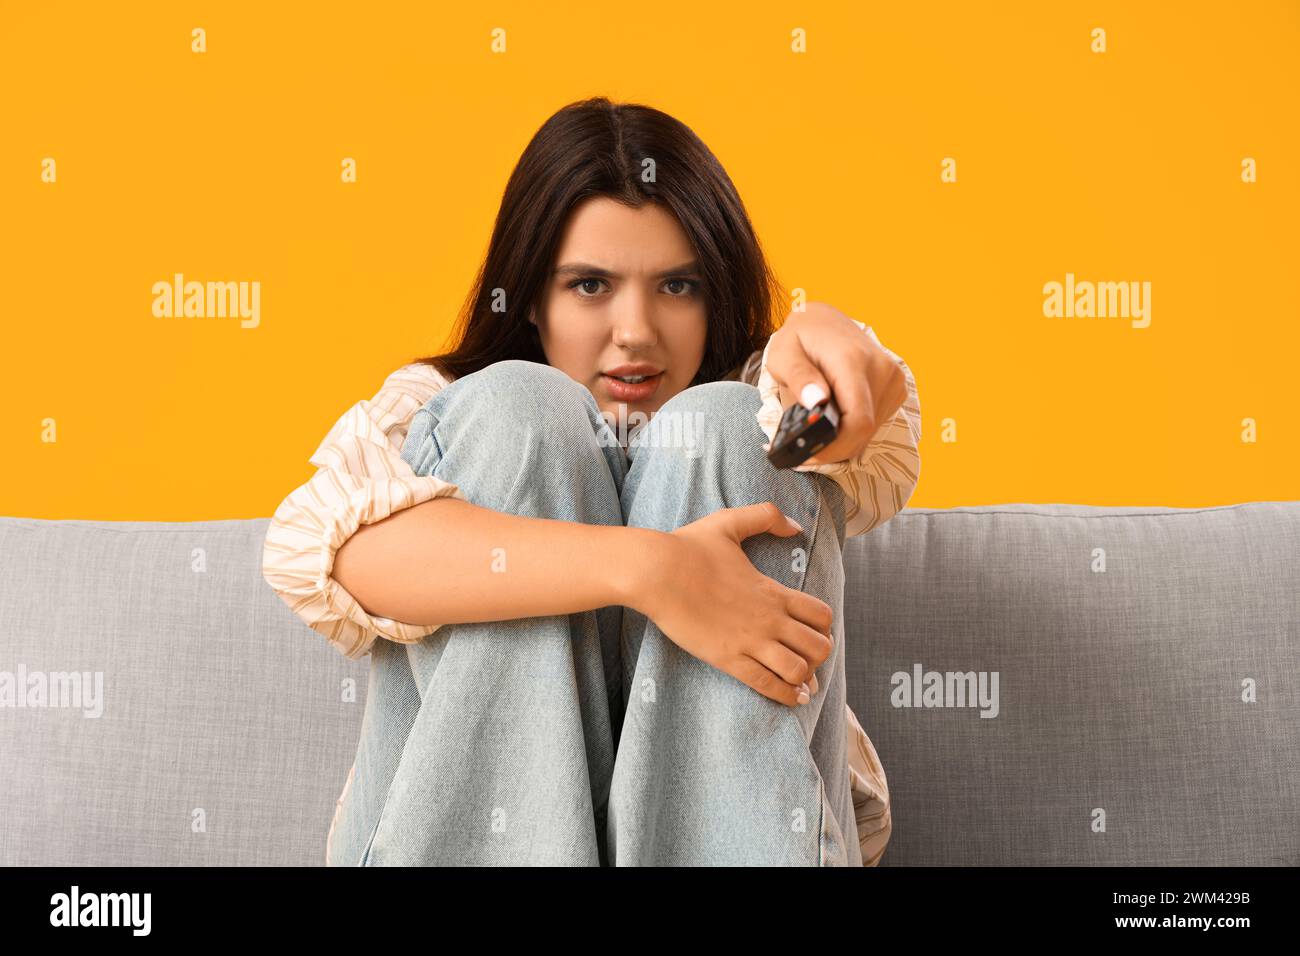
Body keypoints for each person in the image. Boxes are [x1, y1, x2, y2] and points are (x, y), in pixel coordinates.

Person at [262, 96, 917, 866]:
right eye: (590, 286)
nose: (635, 329)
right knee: (519, 414)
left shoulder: (754, 399)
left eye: (677, 286)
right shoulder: (447, 405)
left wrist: (839, 351)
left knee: (726, 430)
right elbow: (326, 551)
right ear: (531, 297)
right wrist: (653, 570)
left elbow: (873, 443)